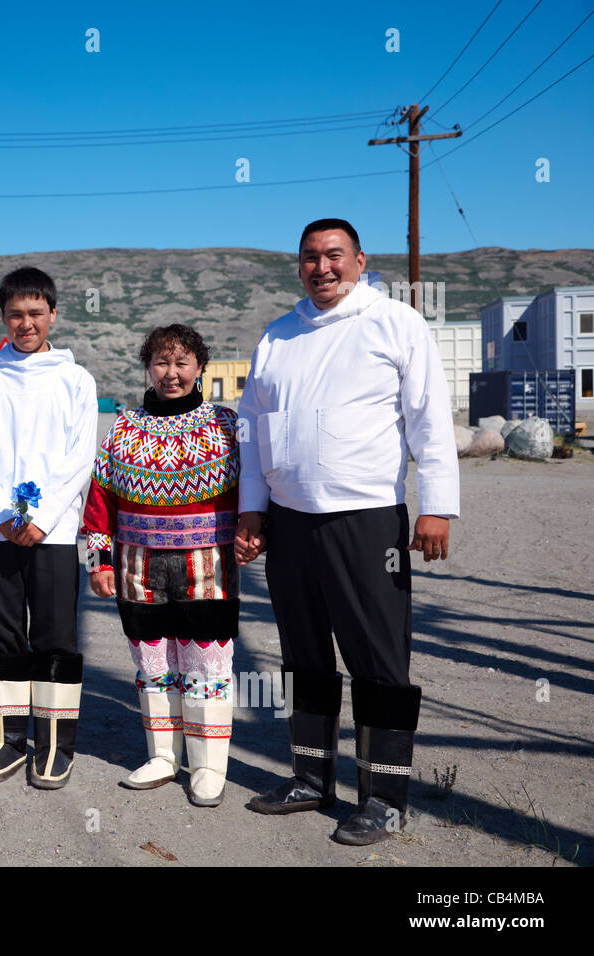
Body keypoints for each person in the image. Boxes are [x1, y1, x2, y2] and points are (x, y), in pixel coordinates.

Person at [236, 218, 459, 845]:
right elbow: (254, 432)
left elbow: (430, 417)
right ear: (298, 266)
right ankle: (310, 779)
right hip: (289, 522)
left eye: (334, 255)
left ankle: (384, 797)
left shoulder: (394, 323)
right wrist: (253, 509)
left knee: (377, 659)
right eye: (310, 257)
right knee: (303, 654)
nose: (322, 267)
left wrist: (436, 504)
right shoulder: (277, 337)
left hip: (364, 519)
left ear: (360, 261)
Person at [82, 324, 240, 805]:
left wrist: (256, 534)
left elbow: (249, 491)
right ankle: (163, 756)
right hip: (136, 566)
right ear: (148, 367)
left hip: (208, 565)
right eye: (161, 363)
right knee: (152, 662)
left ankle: (208, 766)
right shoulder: (123, 429)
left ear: (199, 368)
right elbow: (98, 502)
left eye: (181, 363)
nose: (171, 374)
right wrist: (98, 562)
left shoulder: (226, 424)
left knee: (206, 663)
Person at [0, 266, 98, 789]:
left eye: (36, 313)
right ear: (3, 317)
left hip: (54, 534)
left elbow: (77, 458)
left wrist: (39, 520)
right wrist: (3, 514)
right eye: (15, 314)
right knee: (2, 636)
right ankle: (9, 739)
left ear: (53, 315)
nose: (25, 323)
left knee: (55, 637)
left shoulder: (76, 380)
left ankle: (56, 744)